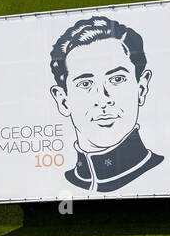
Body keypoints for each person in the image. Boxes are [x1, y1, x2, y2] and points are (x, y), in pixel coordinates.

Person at [49, 14, 163, 192]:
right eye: (85, 84)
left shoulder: (163, 173)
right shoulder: (61, 184)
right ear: (63, 100)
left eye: (117, 79)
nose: (102, 99)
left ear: (141, 88)